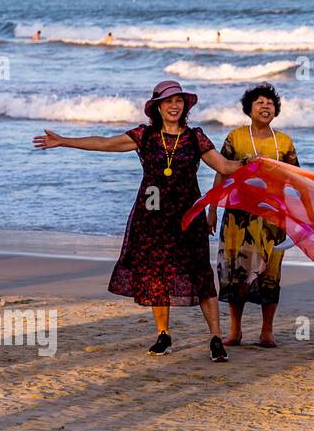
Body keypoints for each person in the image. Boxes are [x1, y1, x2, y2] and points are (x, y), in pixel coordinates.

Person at [32, 80, 252, 361]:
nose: (174, 106)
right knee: (156, 276)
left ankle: (215, 338)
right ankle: (164, 335)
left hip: (187, 217)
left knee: (201, 275)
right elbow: (105, 143)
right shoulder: (145, 136)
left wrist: (249, 164)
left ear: (185, 106)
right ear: (157, 107)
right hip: (151, 217)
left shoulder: (195, 137)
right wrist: (64, 141)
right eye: (168, 101)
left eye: (179, 101)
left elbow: (224, 166)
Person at [208, 82, 300, 348]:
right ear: (249, 108)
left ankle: (266, 332)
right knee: (236, 272)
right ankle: (235, 331)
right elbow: (222, 172)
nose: (265, 106)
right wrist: (212, 210)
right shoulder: (235, 138)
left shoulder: (284, 142)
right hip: (238, 218)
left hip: (273, 219)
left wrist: (300, 215)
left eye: (270, 103)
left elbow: (295, 179)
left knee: (270, 273)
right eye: (259, 102)